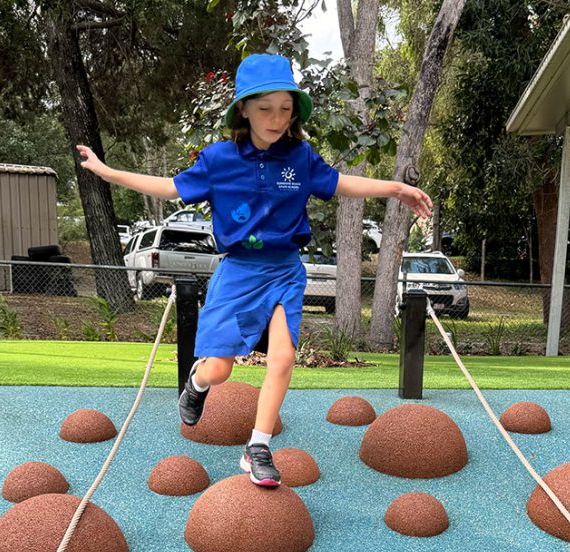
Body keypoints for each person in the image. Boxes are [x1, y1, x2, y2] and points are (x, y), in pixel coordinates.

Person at [77, 53, 432, 487]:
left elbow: (341, 183)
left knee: (283, 357)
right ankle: (197, 380)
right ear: (243, 109)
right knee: (220, 369)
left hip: (284, 269)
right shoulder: (219, 159)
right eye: (265, 108)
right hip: (239, 271)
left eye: (285, 108)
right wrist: (106, 172)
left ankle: (258, 447)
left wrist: (395, 189)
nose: (277, 118)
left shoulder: (299, 158)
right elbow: (169, 188)